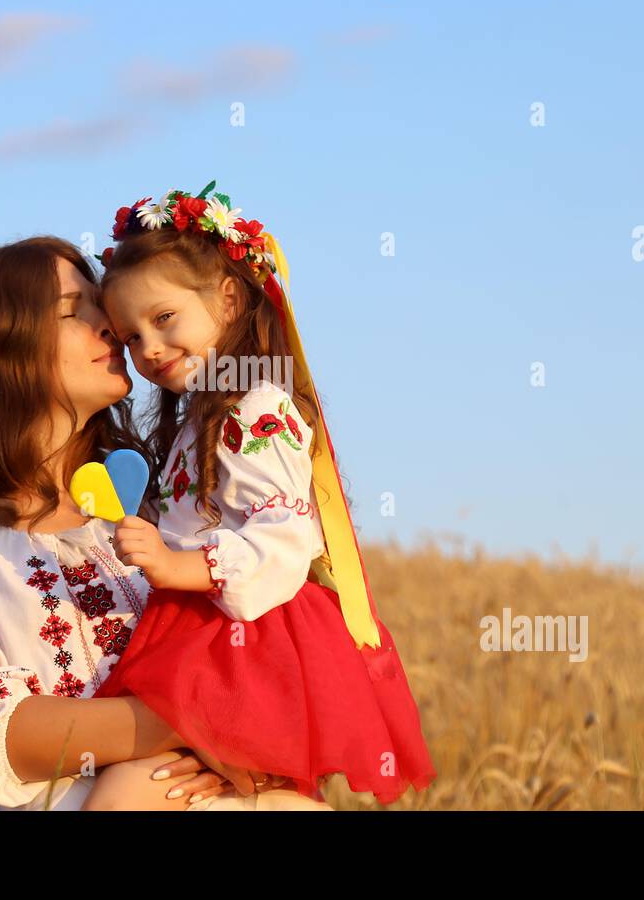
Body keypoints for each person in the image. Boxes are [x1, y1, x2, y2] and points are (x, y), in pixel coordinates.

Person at [0, 236, 323, 810]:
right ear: (2, 344)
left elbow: (273, 637)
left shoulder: (156, 504)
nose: (113, 329)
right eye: (77, 312)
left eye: (108, 315)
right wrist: (198, 722)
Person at [83, 182, 437, 807]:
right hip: (199, 626)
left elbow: (281, 542)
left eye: (164, 319)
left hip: (247, 638)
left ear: (226, 298)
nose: (149, 349)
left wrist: (174, 565)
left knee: (152, 789)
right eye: (130, 336)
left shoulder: (256, 409)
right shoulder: (198, 416)